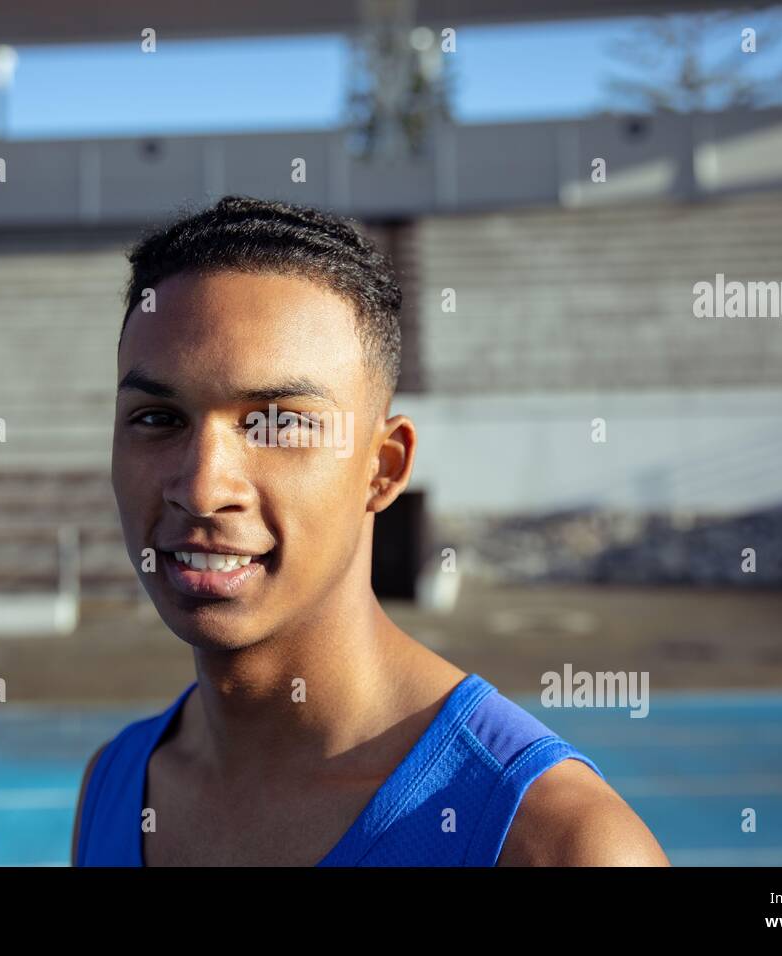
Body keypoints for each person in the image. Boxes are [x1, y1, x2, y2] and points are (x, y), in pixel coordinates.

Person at [72, 195, 669, 866]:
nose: (204, 487)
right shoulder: (116, 784)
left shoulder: (559, 841)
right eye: (157, 418)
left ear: (383, 470)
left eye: (276, 423)